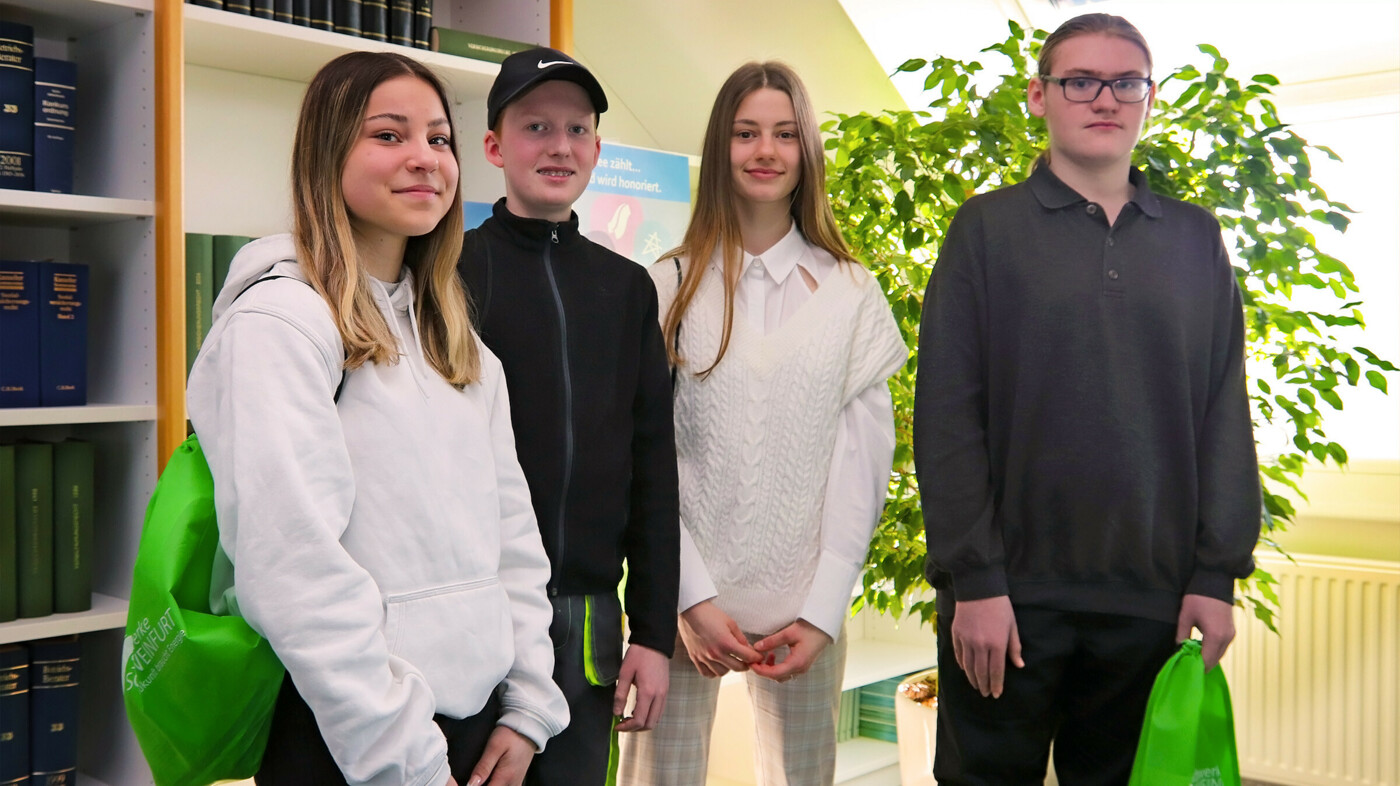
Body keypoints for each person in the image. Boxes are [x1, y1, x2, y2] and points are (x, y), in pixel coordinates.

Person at [187, 51, 568, 786]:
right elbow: (292, 568)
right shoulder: (281, 323)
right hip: (352, 739)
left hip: (481, 727)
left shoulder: (457, 341)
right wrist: (405, 759)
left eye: (439, 138)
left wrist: (528, 707)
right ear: (327, 153)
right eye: (389, 135)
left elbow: (513, 544)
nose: (425, 158)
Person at [913, 13, 1261, 785]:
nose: (1105, 99)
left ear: (1150, 98)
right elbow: (946, 416)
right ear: (1039, 96)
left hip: (1151, 601)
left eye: (1126, 82)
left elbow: (1222, 415)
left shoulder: (1195, 238)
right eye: (1080, 81)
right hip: (1007, 599)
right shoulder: (984, 229)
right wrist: (974, 580)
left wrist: (1216, 576)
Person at [617, 61, 907, 786]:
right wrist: (687, 599)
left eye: (784, 133)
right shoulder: (667, 285)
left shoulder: (851, 293)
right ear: (721, 147)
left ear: (807, 150)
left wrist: (823, 612)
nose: (765, 151)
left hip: (803, 614)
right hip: (678, 605)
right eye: (746, 133)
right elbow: (643, 458)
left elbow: (862, 471)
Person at [456, 47, 680, 786]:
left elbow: (653, 467)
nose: (559, 146)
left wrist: (653, 633)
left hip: (588, 627)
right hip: (475, 618)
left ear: (597, 150)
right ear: (494, 146)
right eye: (536, 127)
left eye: (577, 130)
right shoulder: (448, 273)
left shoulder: (627, 289)